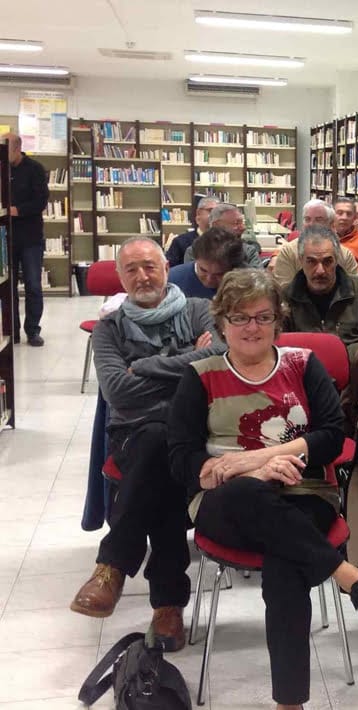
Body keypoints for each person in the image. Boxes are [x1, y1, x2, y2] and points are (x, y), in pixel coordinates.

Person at [167, 269, 358, 710]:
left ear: (278, 321)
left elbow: (333, 435)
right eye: (240, 318)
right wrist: (251, 474)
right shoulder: (199, 376)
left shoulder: (303, 365)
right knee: (244, 495)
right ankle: (348, 577)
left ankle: (288, 703)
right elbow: (180, 460)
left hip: (305, 494)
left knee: (285, 565)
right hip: (227, 501)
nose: (251, 327)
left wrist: (257, 461)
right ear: (221, 323)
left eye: (262, 316)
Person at [69, 237, 224, 652]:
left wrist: (149, 367)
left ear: (167, 269)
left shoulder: (197, 310)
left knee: (161, 450)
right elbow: (119, 392)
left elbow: (220, 359)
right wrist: (190, 362)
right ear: (120, 278)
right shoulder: (109, 330)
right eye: (132, 269)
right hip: (134, 434)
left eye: (150, 267)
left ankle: (113, 566)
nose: (142, 276)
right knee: (159, 448)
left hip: (194, 432)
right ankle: (167, 606)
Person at [282, 224, 358, 357]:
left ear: (337, 260)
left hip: (354, 373)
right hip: (303, 372)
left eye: (327, 262)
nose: (320, 271)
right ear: (301, 260)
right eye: (311, 262)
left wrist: (342, 355)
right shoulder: (285, 298)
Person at [4, 132, 49, 346]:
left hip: (30, 237)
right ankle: (11, 330)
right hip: (6, 238)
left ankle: (32, 331)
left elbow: (41, 202)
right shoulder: (2, 168)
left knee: (32, 285)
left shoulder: (35, 169)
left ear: (17, 148)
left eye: (6, 149)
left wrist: (16, 210)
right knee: (7, 286)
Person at [271, 199, 358, 288]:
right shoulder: (288, 253)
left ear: (331, 224)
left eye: (318, 220)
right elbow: (283, 293)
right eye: (307, 219)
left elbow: (355, 290)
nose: (311, 224)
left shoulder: (345, 255)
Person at [167, 226, 246, 299]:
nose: (209, 280)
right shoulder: (170, 281)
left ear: (233, 268)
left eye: (219, 274)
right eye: (203, 270)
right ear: (195, 258)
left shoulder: (246, 286)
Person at [183, 203, 262, 267]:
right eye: (236, 223)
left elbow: (258, 282)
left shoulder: (249, 251)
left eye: (242, 223)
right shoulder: (195, 251)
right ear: (216, 225)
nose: (243, 228)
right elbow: (192, 280)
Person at [165, 195, 218, 267]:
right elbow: (170, 272)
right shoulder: (180, 242)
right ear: (198, 213)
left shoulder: (227, 242)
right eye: (211, 211)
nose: (216, 216)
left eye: (219, 213)